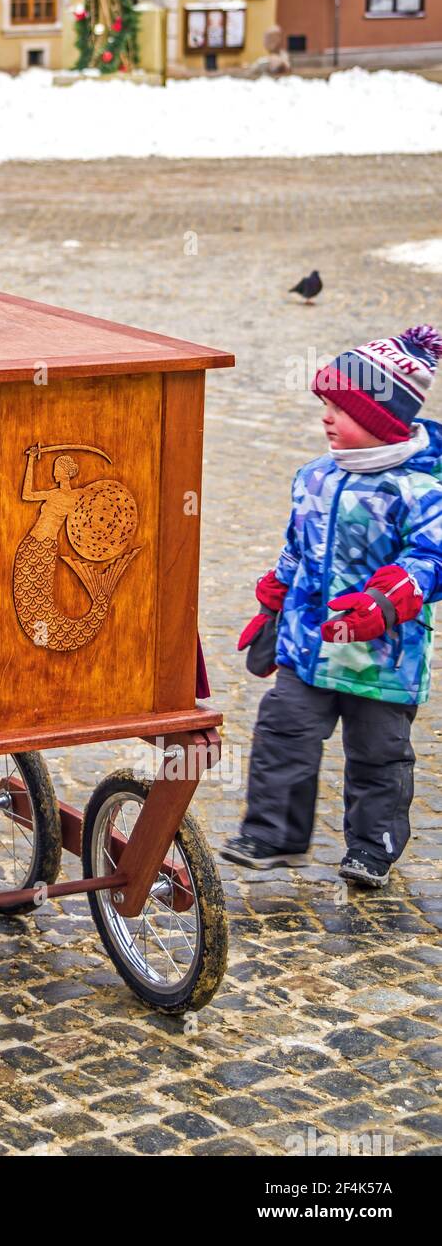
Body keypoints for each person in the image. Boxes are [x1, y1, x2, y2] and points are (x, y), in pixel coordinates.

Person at [225, 325, 442, 887]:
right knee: (283, 729)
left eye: (339, 409)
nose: (325, 418)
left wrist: (387, 599)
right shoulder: (315, 478)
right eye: (324, 404)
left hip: (382, 658)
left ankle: (373, 847)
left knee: (379, 755)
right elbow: (296, 547)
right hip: (309, 646)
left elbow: (431, 557)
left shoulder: (420, 490)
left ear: (380, 419)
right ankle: (274, 832)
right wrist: (274, 600)